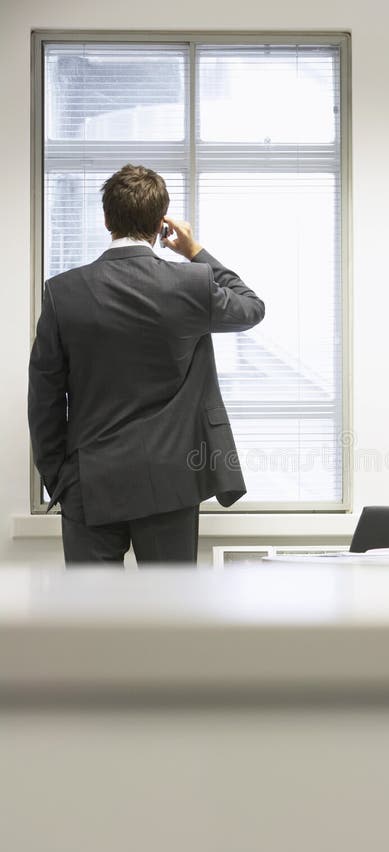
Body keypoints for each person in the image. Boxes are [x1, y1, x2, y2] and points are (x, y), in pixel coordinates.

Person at [28, 163, 265, 565]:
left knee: (86, 605)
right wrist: (193, 251)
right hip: (172, 479)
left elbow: (44, 398)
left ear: (106, 219)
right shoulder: (191, 285)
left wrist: (61, 479)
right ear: (160, 225)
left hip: (89, 480)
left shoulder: (62, 293)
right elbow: (251, 307)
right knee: (169, 605)